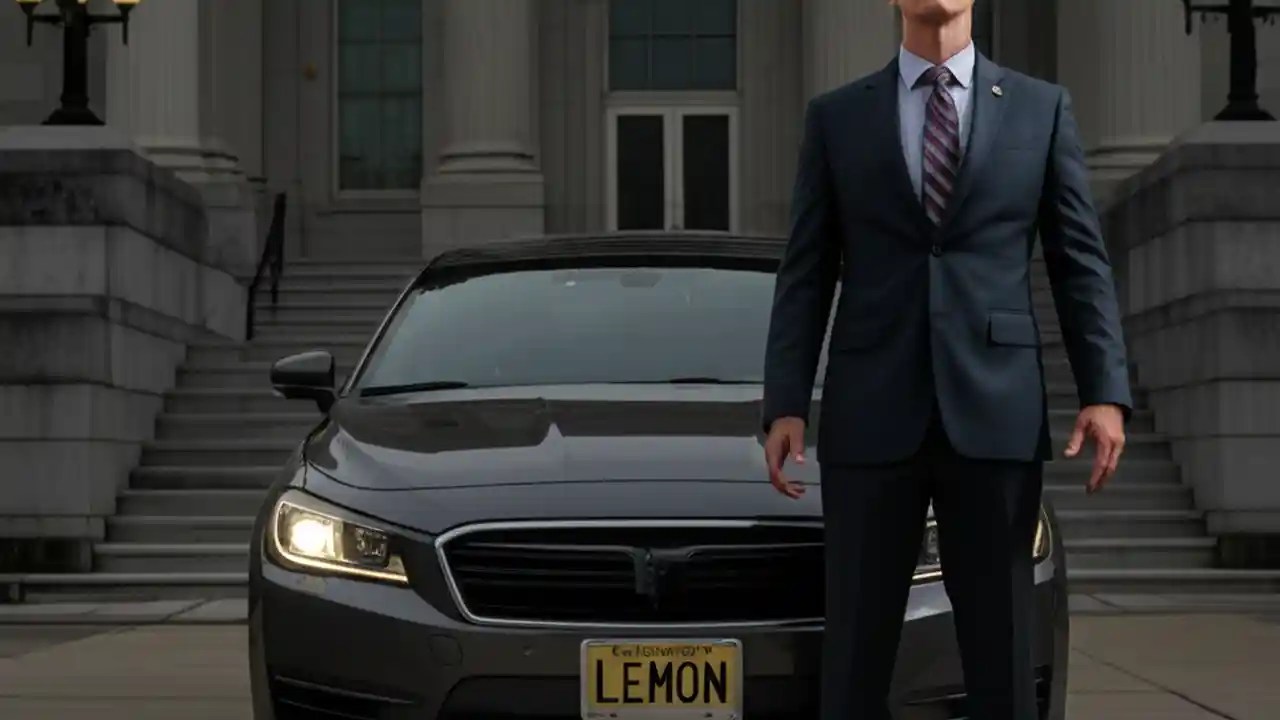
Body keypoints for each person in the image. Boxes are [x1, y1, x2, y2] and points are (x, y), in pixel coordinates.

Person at [760, 1, 1131, 718]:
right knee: (856, 656)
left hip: (995, 416)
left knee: (1003, 650)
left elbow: (1078, 260)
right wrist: (784, 401)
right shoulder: (837, 117)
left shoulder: (1040, 109)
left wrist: (1104, 389)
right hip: (870, 418)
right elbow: (805, 270)